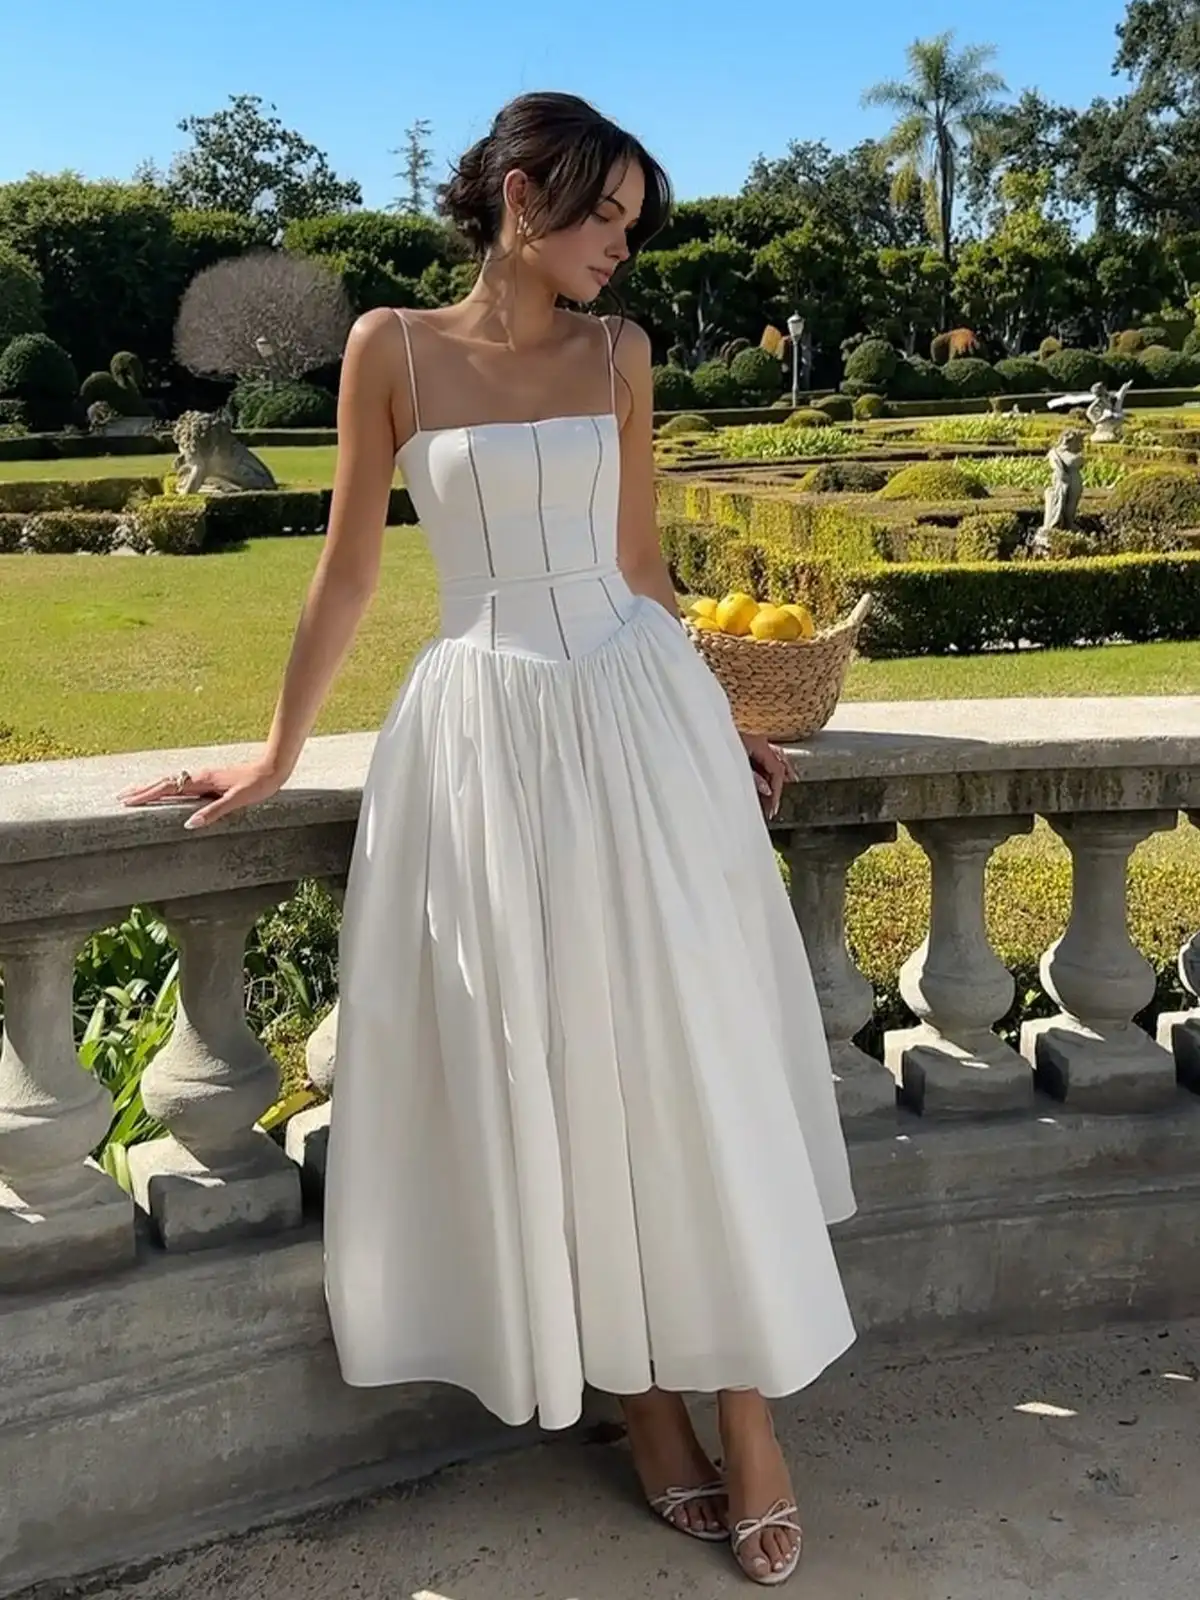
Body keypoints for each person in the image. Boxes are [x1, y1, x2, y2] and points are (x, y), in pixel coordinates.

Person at [121, 91, 857, 1587]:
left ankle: (747, 1407)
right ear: (523, 197)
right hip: (485, 735)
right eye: (604, 218)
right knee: (555, 1060)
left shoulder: (620, 353)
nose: (620, 250)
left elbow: (639, 564)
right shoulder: (390, 349)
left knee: (688, 1052)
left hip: (639, 721)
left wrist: (720, 713)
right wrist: (277, 750)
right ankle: (646, 1408)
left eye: (632, 226)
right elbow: (344, 573)